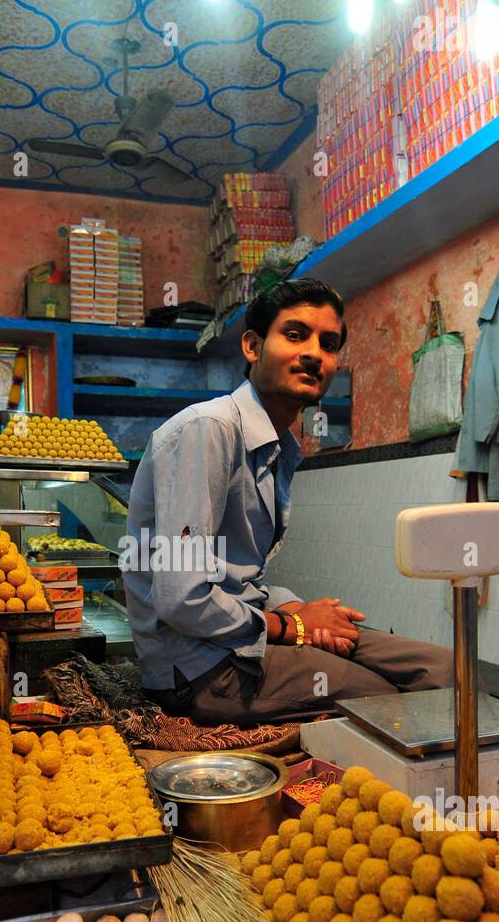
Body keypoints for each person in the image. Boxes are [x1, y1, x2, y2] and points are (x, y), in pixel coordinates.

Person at [122, 277, 455, 726]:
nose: (314, 353)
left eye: (329, 343)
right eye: (295, 335)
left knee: (445, 671)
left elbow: (238, 576)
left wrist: (295, 608)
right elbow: (182, 599)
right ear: (253, 347)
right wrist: (293, 628)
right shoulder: (210, 430)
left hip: (249, 632)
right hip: (200, 667)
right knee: (380, 698)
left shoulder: (280, 446)